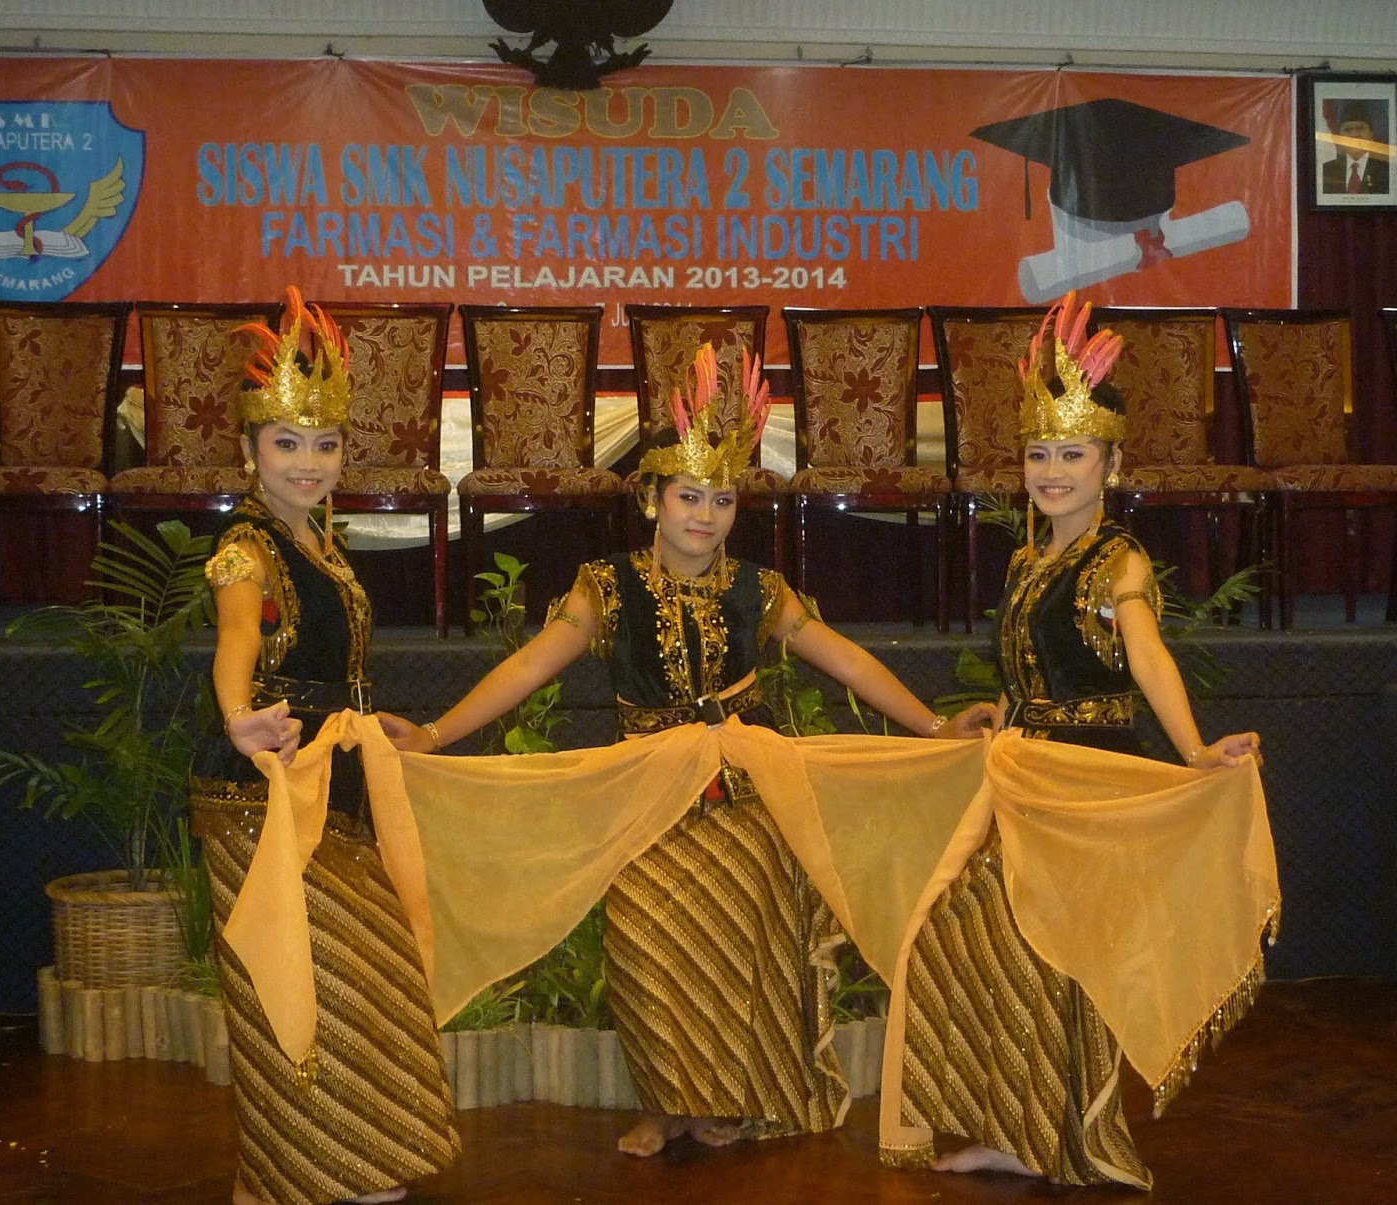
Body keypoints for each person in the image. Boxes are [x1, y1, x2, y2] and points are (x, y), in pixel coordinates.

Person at [390, 343, 990, 1158]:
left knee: (737, 945)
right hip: (645, 791)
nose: (704, 515)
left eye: (720, 499)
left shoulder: (757, 588)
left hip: (746, 788)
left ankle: (725, 1099)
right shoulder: (606, 585)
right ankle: (665, 1102)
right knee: (643, 941)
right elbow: (530, 666)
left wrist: (930, 726)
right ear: (652, 499)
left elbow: (842, 655)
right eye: (688, 497)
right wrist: (430, 734)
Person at [889, 293, 1264, 1188]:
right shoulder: (1027, 562)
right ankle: (1007, 1119)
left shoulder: (1119, 560)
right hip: (1021, 774)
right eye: (1039, 453)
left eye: (1072, 453)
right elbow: (1031, 671)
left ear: (1111, 462)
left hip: (1091, 783)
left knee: (1057, 956)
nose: (1053, 470)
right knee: (963, 935)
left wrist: (1193, 749)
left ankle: (1067, 1137)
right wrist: (993, 717)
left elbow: (1147, 656)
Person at [189, 286, 459, 1205]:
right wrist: (237, 717)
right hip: (258, 789)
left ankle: (356, 1157)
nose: (309, 462)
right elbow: (235, 639)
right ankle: (300, 1175)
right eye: (287, 443)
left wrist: (367, 722)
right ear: (249, 450)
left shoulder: (323, 543)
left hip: (332, 780)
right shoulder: (245, 547)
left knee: (368, 970)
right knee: (296, 978)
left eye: (326, 443)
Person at [1321, 103, 1391, 195]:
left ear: (1371, 134)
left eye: (1360, 128)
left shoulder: (1387, 170)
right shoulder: (1326, 171)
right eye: (1347, 130)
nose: (1354, 135)